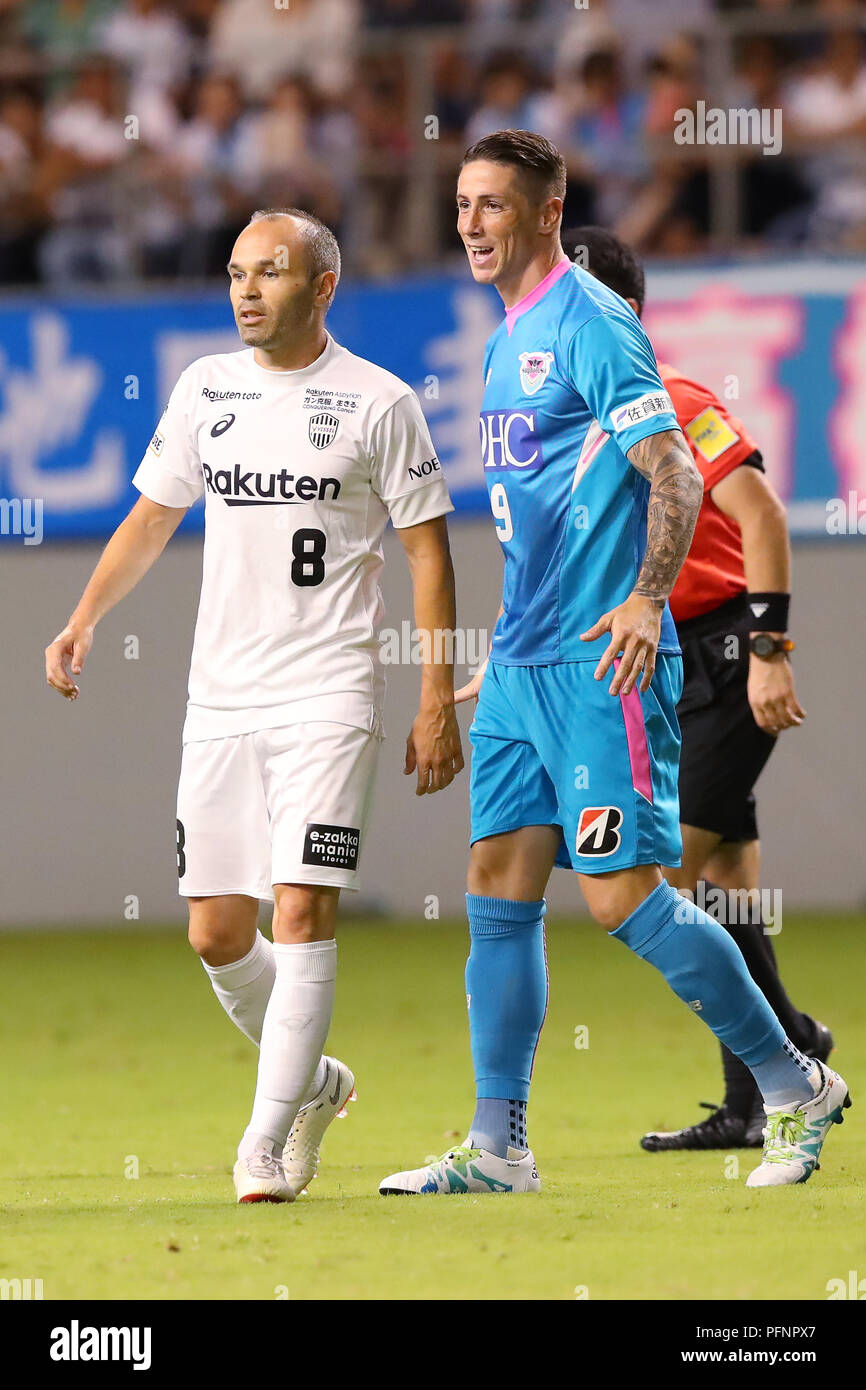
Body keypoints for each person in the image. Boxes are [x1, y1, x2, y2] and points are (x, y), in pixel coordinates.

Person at [379, 130, 849, 1196]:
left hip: (602, 666)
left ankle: (790, 1082)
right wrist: (503, 645)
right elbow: (538, 516)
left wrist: (643, 598)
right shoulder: (501, 339)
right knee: (496, 884)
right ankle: (496, 1144)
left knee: (623, 895)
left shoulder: (592, 323)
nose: (470, 223)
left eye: (493, 205)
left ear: (546, 213)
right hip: (523, 667)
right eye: (461, 203)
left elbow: (672, 470)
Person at [46, 206, 464, 1204]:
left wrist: (434, 692)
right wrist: (85, 615)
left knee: (302, 905)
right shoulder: (204, 388)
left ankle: (264, 1142)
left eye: (267, 273)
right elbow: (154, 513)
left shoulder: (379, 402)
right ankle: (314, 1083)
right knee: (217, 932)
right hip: (220, 698)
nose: (244, 290)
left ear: (321, 287)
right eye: (236, 272)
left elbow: (426, 552)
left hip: (329, 692)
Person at [562, 224, 834, 1151]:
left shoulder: (672, 399)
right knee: (726, 890)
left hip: (724, 656)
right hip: (678, 662)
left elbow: (759, 510)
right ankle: (757, 1096)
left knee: (653, 882)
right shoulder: (590, 428)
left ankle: (790, 1055)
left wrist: (769, 647)